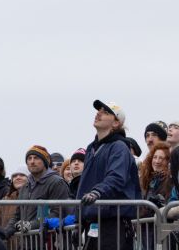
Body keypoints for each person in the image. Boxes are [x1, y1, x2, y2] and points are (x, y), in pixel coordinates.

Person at [74, 99, 141, 250]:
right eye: (98, 111)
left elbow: (116, 178)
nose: (98, 113)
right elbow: (84, 185)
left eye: (105, 112)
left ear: (116, 123)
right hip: (93, 223)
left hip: (114, 222)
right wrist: (79, 221)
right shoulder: (91, 148)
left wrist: (98, 192)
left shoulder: (119, 147)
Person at [10, 144, 72, 241]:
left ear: (45, 162)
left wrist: (31, 225)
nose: (32, 161)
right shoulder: (25, 187)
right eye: (29, 158)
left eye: (36, 158)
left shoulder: (57, 182)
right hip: (26, 242)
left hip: (49, 242)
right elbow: (17, 215)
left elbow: (58, 212)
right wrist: (4, 232)